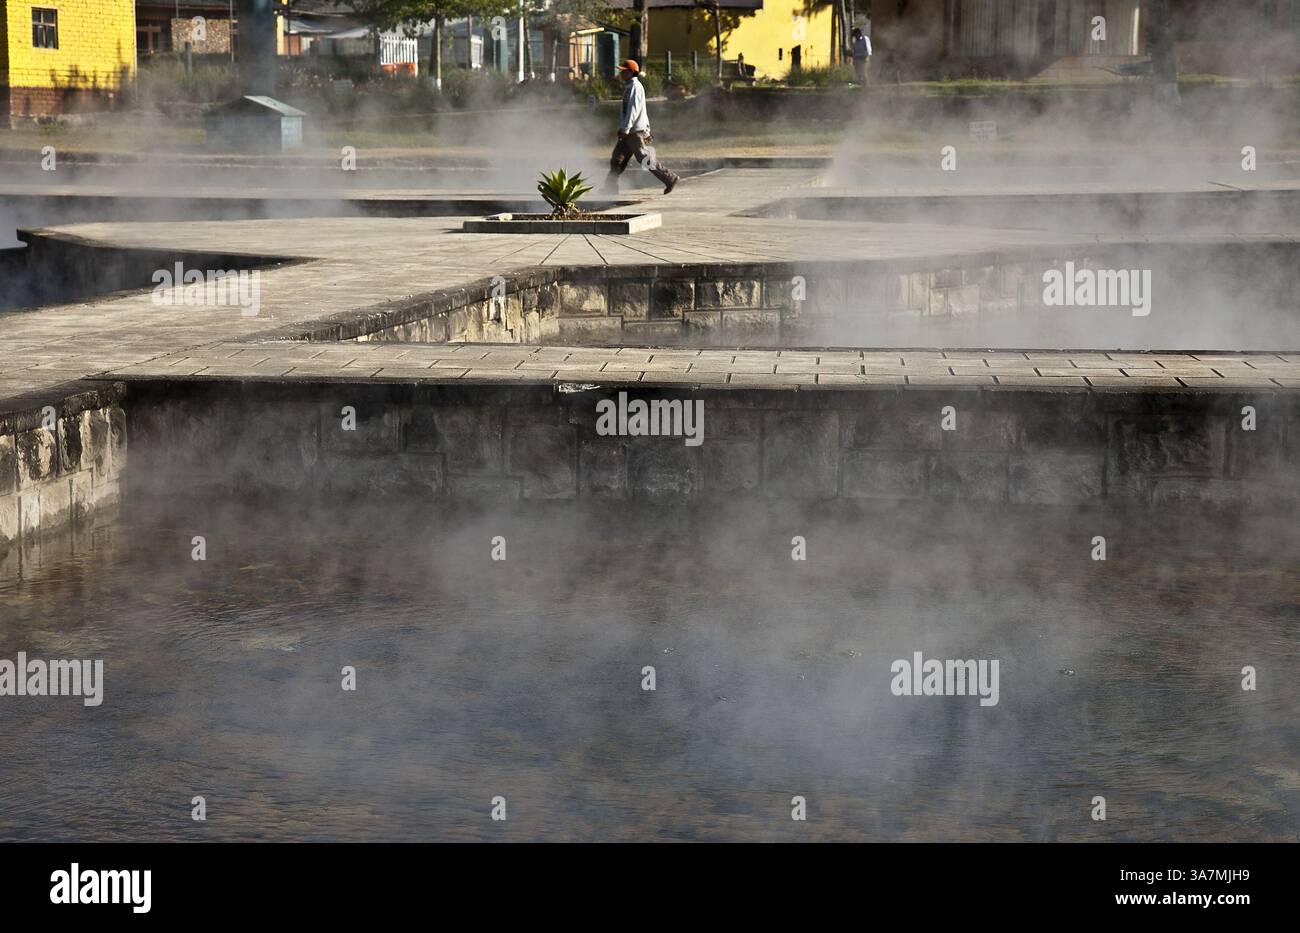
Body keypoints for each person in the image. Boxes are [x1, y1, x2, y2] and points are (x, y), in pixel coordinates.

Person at [604, 59, 680, 195]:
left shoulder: (635, 87)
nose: (621, 73)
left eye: (624, 71)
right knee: (616, 159)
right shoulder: (630, 87)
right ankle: (610, 188)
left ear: (631, 72)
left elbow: (634, 110)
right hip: (630, 131)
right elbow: (636, 111)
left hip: (634, 132)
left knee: (644, 159)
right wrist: (625, 128)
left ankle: (670, 178)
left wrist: (626, 129)